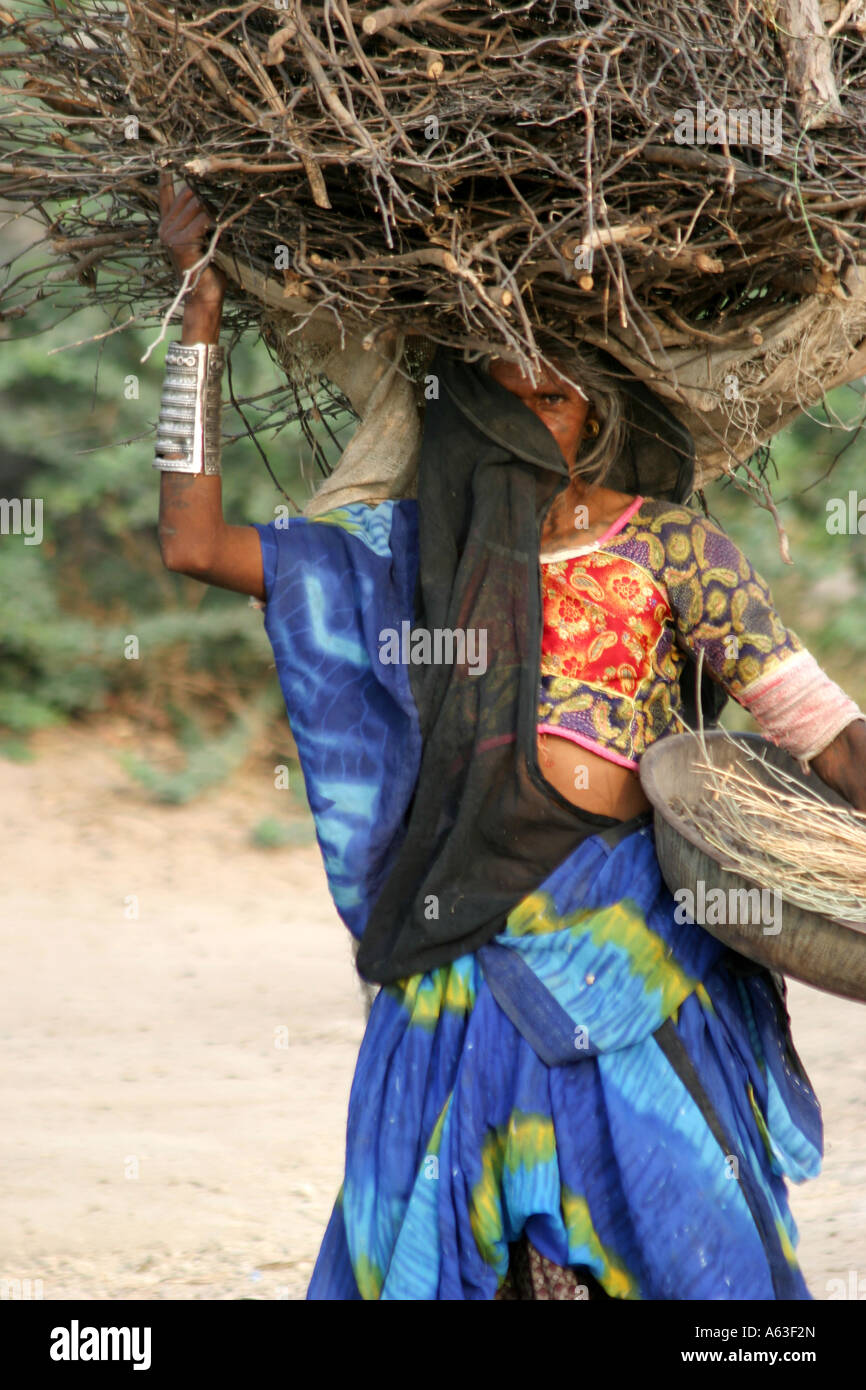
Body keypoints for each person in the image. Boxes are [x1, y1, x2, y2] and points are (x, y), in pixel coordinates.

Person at [154, 172, 866, 1300]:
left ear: (595, 409)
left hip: (633, 942)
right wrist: (198, 318)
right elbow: (194, 546)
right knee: (437, 1244)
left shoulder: (670, 548)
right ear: (462, 401)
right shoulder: (405, 560)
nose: (537, 401)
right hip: (458, 951)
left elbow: (821, 732)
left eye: (561, 389)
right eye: (505, 381)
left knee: (700, 1250)